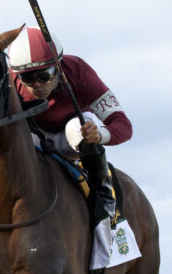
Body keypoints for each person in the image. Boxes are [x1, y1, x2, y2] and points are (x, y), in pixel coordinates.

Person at [7, 26, 132, 224]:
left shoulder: (79, 72)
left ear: (58, 66)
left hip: (71, 139)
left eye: (44, 75)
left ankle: (104, 200)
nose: (37, 84)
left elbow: (124, 126)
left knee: (78, 126)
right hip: (35, 139)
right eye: (28, 77)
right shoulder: (10, 81)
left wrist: (99, 135)